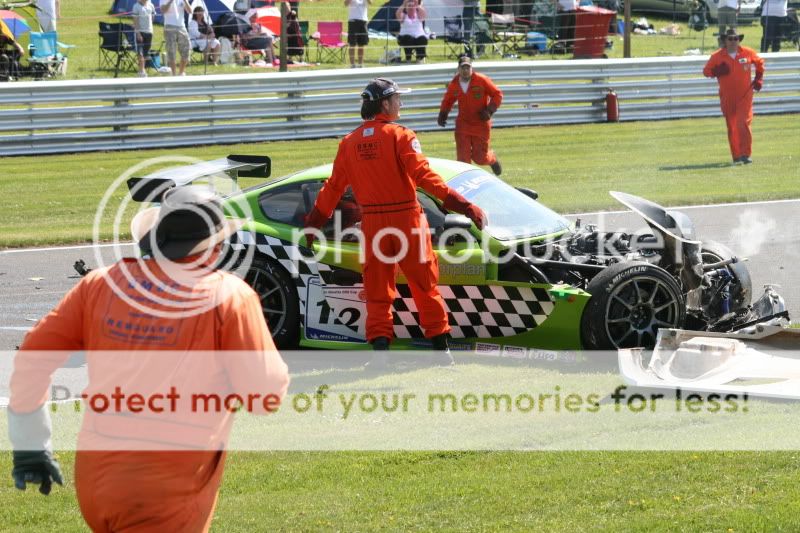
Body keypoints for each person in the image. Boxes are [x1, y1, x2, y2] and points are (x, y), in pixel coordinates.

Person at [8, 186, 290, 531]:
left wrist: (30, 444)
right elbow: (266, 396)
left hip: (97, 478)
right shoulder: (229, 297)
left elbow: (33, 355)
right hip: (167, 487)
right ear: (214, 248)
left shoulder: (99, 284)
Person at [303, 78, 486, 366]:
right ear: (385, 104)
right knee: (425, 286)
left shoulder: (349, 143)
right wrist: (463, 206)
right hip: (407, 222)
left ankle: (380, 354)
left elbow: (333, 189)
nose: (401, 103)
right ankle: (441, 351)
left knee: (377, 290)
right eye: (398, 99)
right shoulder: (401, 135)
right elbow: (426, 177)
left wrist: (314, 223)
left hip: (374, 225)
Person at [703, 27, 765, 164]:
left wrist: (758, 78)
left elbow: (760, 63)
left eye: (736, 39)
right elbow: (706, 71)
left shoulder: (748, 52)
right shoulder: (717, 56)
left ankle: (746, 154)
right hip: (727, 96)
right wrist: (717, 71)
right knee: (732, 126)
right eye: (730, 39)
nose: (733, 41)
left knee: (744, 123)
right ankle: (736, 156)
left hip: (745, 95)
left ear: (739, 40)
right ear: (725, 40)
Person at [437, 55, 504, 176]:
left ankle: (492, 159)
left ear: (472, 68)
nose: (465, 70)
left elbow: (497, 94)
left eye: (468, 67)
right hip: (463, 125)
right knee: (463, 160)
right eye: (463, 68)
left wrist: (489, 110)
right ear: (458, 69)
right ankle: (466, 181)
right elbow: (448, 100)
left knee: (480, 158)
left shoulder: (482, 80)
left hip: (481, 124)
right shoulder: (454, 84)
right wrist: (443, 114)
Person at [161, 0, 192, 75]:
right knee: (171, 51)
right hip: (169, 26)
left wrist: (185, 1)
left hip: (181, 26)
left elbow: (190, 11)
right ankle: (174, 75)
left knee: (187, 49)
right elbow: (163, 10)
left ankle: (181, 73)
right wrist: (170, 1)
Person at [132, 0, 155, 77]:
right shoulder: (136, 6)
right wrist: (138, 33)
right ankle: (142, 71)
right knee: (140, 52)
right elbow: (135, 21)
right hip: (140, 32)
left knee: (145, 52)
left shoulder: (151, 5)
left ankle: (141, 70)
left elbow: (153, 17)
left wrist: (151, 29)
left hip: (149, 32)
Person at [345, 0, 371, 68]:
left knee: (361, 45)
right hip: (353, 21)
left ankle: (360, 64)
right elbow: (346, 4)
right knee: (352, 44)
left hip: (363, 21)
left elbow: (370, 3)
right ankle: (352, 64)